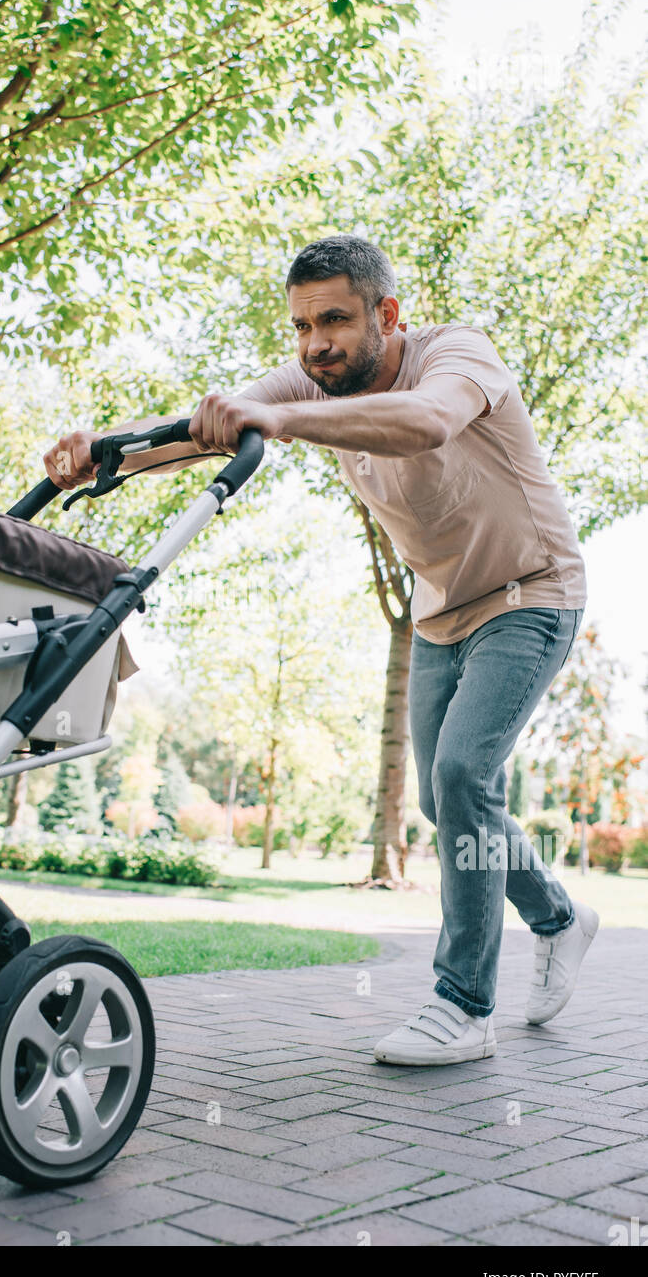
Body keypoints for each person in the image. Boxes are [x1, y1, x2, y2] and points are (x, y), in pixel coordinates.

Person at [44, 233, 598, 1067]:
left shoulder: (457, 355)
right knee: (446, 806)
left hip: (531, 591)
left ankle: (462, 1005)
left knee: (460, 777)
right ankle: (556, 917)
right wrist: (102, 454)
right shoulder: (310, 381)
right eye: (301, 327)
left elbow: (425, 421)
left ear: (387, 314)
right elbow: (206, 429)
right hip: (441, 610)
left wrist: (280, 417)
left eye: (333, 320)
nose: (314, 345)